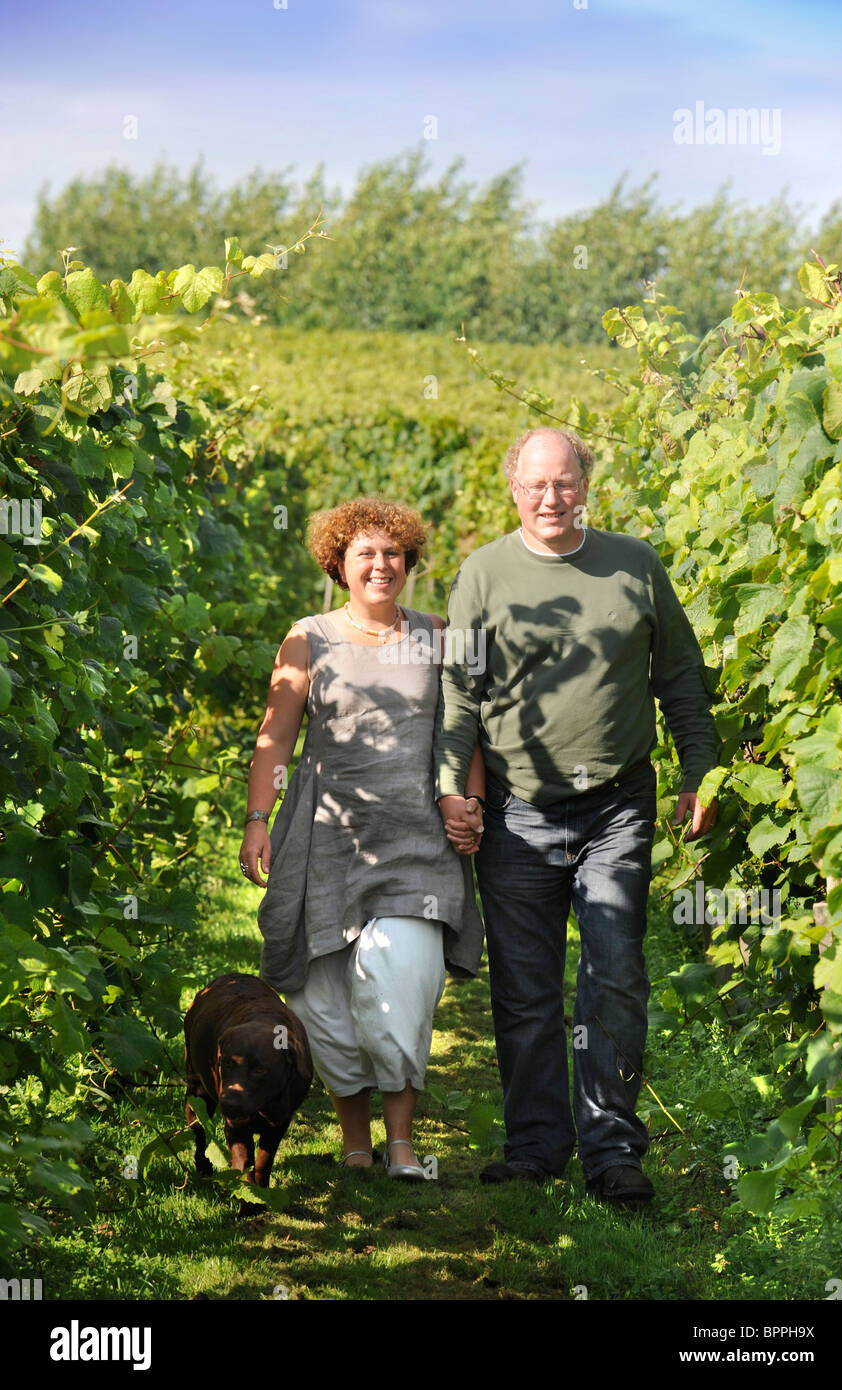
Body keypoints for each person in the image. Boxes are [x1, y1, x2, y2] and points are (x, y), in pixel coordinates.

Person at [434, 427, 719, 1201]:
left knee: (615, 974)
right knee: (526, 988)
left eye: (564, 483)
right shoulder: (484, 575)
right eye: (535, 485)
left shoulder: (635, 564)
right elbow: (460, 698)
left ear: (585, 483)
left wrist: (699, 773)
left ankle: (613, 1151)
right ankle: (534, 1147)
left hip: (619, 804)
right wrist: (449, 786)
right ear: (513, 489)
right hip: (521, 808)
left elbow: (682, 679)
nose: (550, 499)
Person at [240, 498, 485, 1179]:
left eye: (393, 554)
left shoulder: (439, 636)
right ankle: (355, 1141)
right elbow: (276, 738)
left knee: (400, 985)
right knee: (324, 998)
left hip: (416, 841)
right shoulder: (308, 638)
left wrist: (471, 804)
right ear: (338, 564)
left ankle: (400, 1141)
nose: (382, 565)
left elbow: (463, 736)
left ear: (409, 562)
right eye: (365, 554)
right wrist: (259, 819)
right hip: (325, 837)